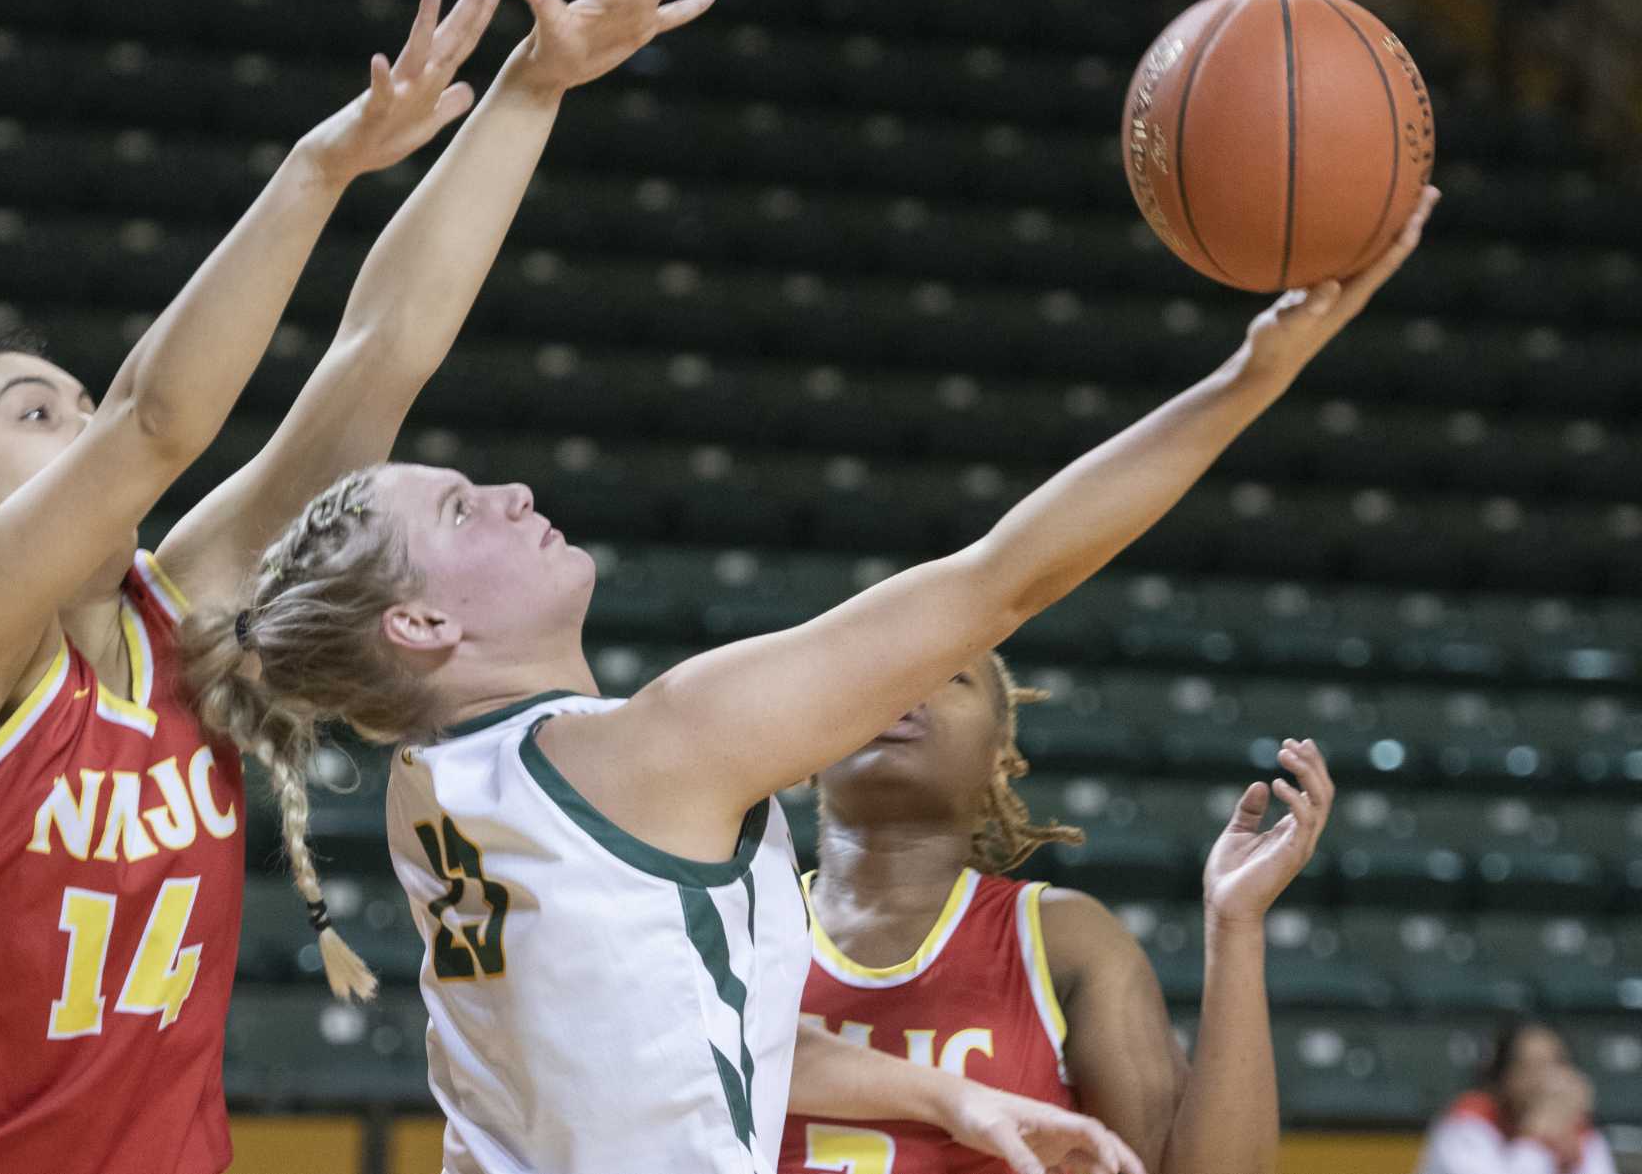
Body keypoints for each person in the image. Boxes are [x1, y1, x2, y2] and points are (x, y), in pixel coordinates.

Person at [187, 163, 1439, 1174]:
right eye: (460, 512)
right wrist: (1246, 378)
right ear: (418, 629)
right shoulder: (650, 746)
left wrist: (952, 1098)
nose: (511, 492)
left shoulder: (431, 779)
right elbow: (998, 579)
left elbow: (692, 1043)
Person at [0, 0, 726, 1173]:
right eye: (37, 410)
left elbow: (378, 358)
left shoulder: (181, 611)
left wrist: (531, 88)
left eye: (82, 401)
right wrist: (316, 168)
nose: (86, 423)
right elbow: (158, 423)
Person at [784, 651, 1335, 1173]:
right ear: (813, 737)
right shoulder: (742, 926)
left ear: (1000, 752)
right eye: (875, 673)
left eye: (951, 675)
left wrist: (1233, 923)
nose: (904, 689)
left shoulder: (1063, 938)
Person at [1416, 1021, 1616, 1174]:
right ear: (1504, 1076)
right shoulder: (1466, 1124)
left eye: (1554, 1064)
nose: (1544, 1079)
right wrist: (1537, 1138)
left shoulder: (1578, 1130)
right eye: (1530, 1067)